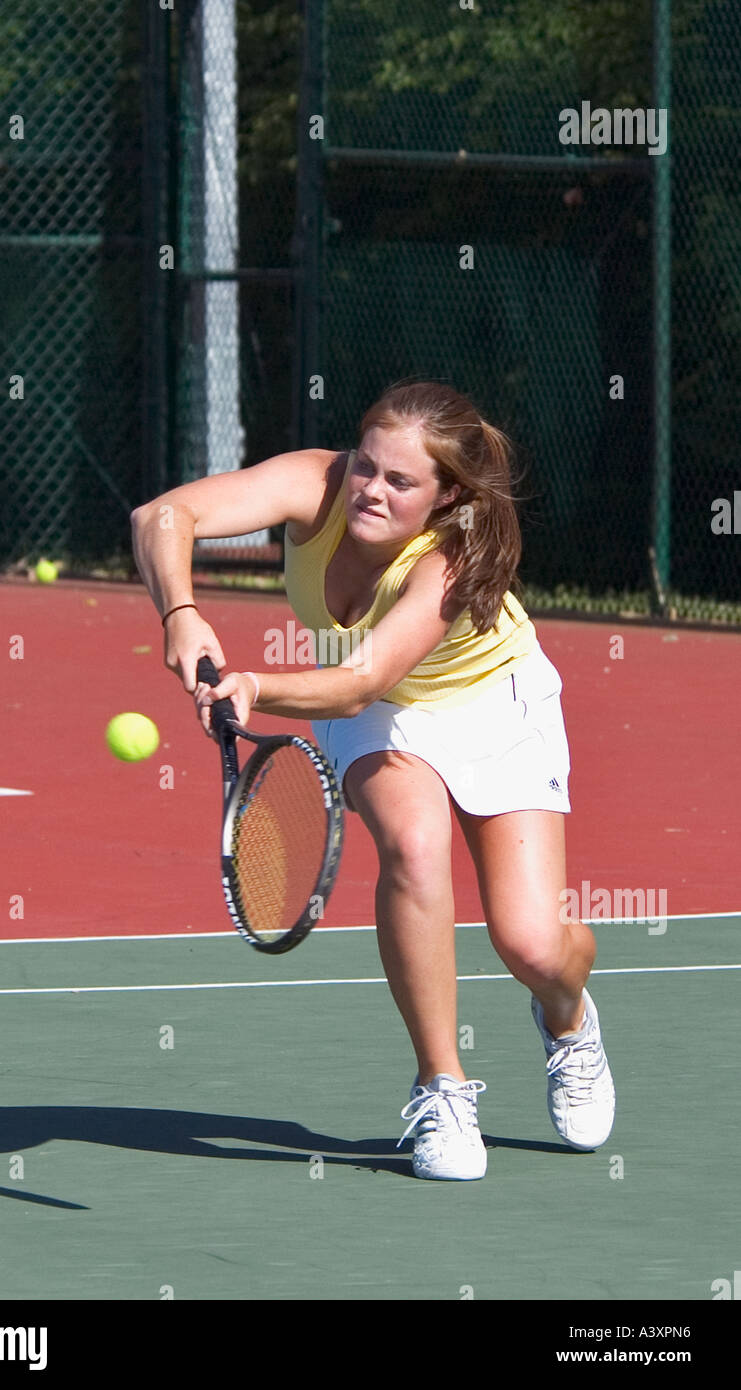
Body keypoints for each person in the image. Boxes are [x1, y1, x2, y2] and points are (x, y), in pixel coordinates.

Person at [131, 380, 615, 1181]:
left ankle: (567, 1019)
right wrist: (179, 611)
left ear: (447, 494)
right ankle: (443, 1088)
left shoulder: (456, 553)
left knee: (532, 945)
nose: (370, 490)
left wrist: (252, 685)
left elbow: (356, 676)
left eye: (400, 482)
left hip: (491, 704)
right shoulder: (312, 483)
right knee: (413, 846)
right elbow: (161, 516)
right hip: (379, 713)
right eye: (366, 465)